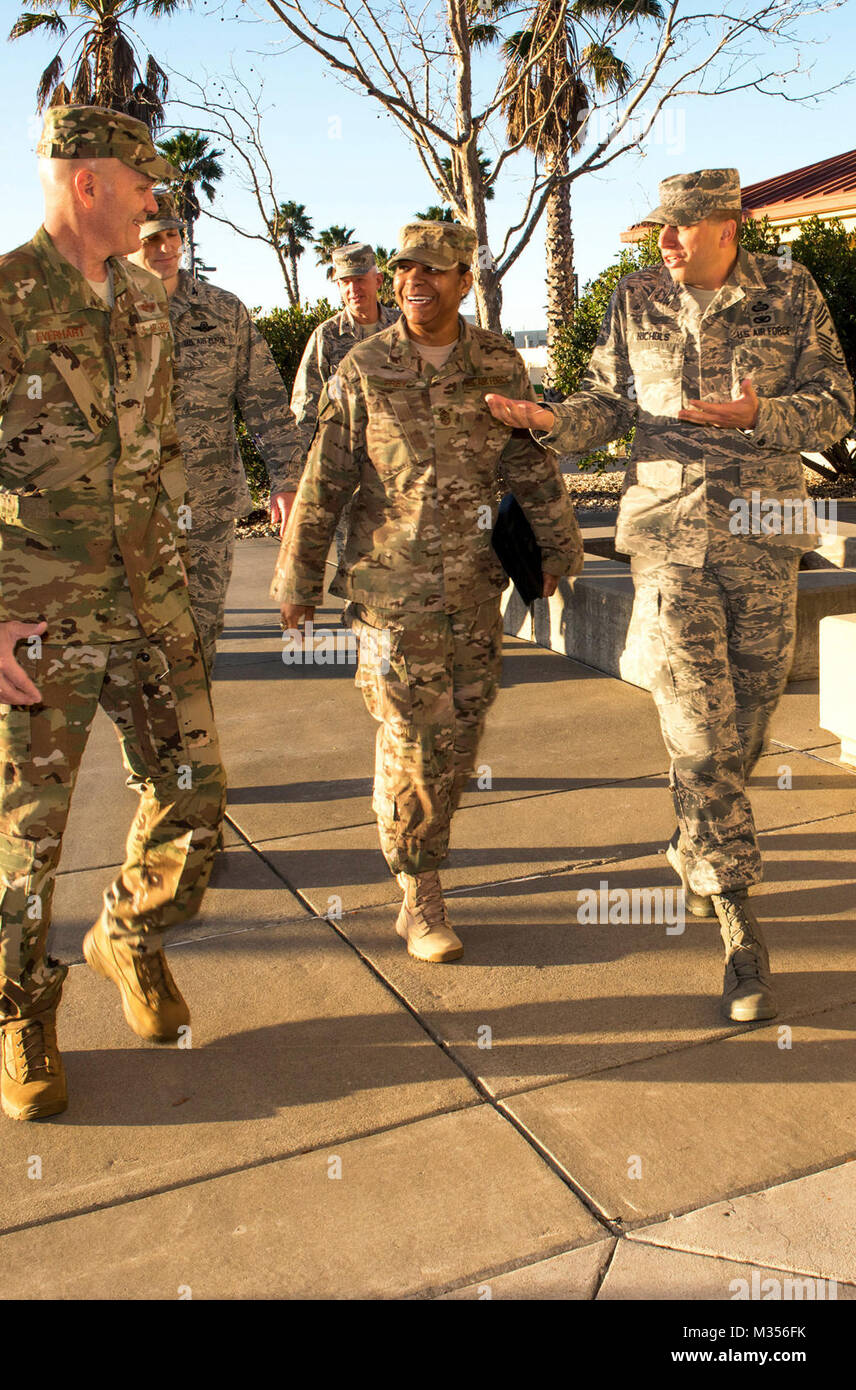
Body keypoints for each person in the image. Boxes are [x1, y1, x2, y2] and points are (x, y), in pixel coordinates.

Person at [0, 105, 227, 1122]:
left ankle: (128, 932)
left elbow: (158, 439)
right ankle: (22, 1015)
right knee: (21, 842)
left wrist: (176, 573)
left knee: (196, 796)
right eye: (141, 181)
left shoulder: (142, 296)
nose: (153, 200)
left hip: (151, 603)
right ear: (88, 182)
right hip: (33, 620)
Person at [487, 168, 854, 1022]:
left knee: (748, 726)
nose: (666, 243)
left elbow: (837, 405)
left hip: (763, 536)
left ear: (726, 227)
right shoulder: (635, 297)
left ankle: (692, 839)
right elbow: (605, 402)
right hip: (668, 541)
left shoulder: (792, 290)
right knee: (696, 723)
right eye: (660, 229)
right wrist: (546, 422)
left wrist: (761, 418)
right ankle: (739, 927)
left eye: (681, 229)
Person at [272, 221, 583, 963]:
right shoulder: (365, 365)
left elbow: (528, 462)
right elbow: (326, 479)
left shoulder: (498, 361)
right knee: (414, 739)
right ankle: (420, 892)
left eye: (435, 271)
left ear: (464, 282)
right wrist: (299, 581)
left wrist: (559, 547)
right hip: (393, 593)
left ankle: (418, 852)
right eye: (407, 267)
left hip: (475, 588)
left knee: (460, 731)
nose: (416, 280)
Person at [127, 192, 304, 673]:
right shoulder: (103, 311)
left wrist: (286, 480)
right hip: (129, 511)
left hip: (208, 504)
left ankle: (189, 737)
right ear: (128, 240)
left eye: (172, 235)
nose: (164, 248)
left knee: (200, 633)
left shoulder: (224, 311)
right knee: (137, 644)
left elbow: (265, 401)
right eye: (150, 238)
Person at [292, 243, 400, 558]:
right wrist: (302, 473)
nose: (353, 288)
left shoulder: (404, 330)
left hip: (399, 466)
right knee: (353, 560)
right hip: (348, 469)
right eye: (345, 281)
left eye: (360, 279)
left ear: (378, 281)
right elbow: (305, 408)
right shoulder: (326, 337)